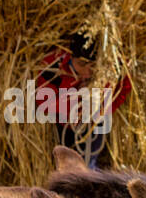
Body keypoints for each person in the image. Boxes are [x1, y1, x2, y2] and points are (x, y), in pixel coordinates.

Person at [37, 32, 132, 169]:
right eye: (82, 64)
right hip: (65, 124)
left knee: (89, 164)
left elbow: (124, 89)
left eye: (93, 66)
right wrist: (75, 100)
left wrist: (101, 110)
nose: (88, 73)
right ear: (71, 56)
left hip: (94, 123)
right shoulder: (53, 65)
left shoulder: (114, 65)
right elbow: (43, 100)